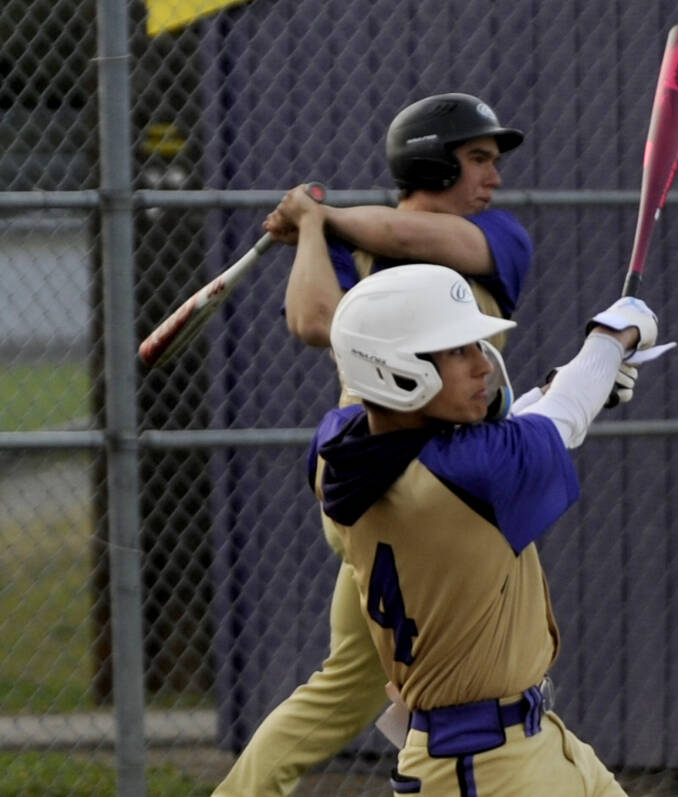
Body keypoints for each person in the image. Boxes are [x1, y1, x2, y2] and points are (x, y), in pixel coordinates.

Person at [212, 92, 536, 797]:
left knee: (348, 688)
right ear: (430, 161)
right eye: (478, 159)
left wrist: (316, 216)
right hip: (404, 481)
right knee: (484, 662)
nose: (495, 177)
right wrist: (310, 230)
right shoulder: (344, 241)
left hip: (417, 486)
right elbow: (314, 321)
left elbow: (418, 239)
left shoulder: (499, 239)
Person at [314, 264, 665, 795]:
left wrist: (551, 389)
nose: (482, 365)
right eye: (457, 351)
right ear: (395, 369)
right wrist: (614, 336)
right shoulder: (466, 475)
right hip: (483, 766)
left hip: (524, 741)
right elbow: (560, 418)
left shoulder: (340, 448)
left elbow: (486, 433)